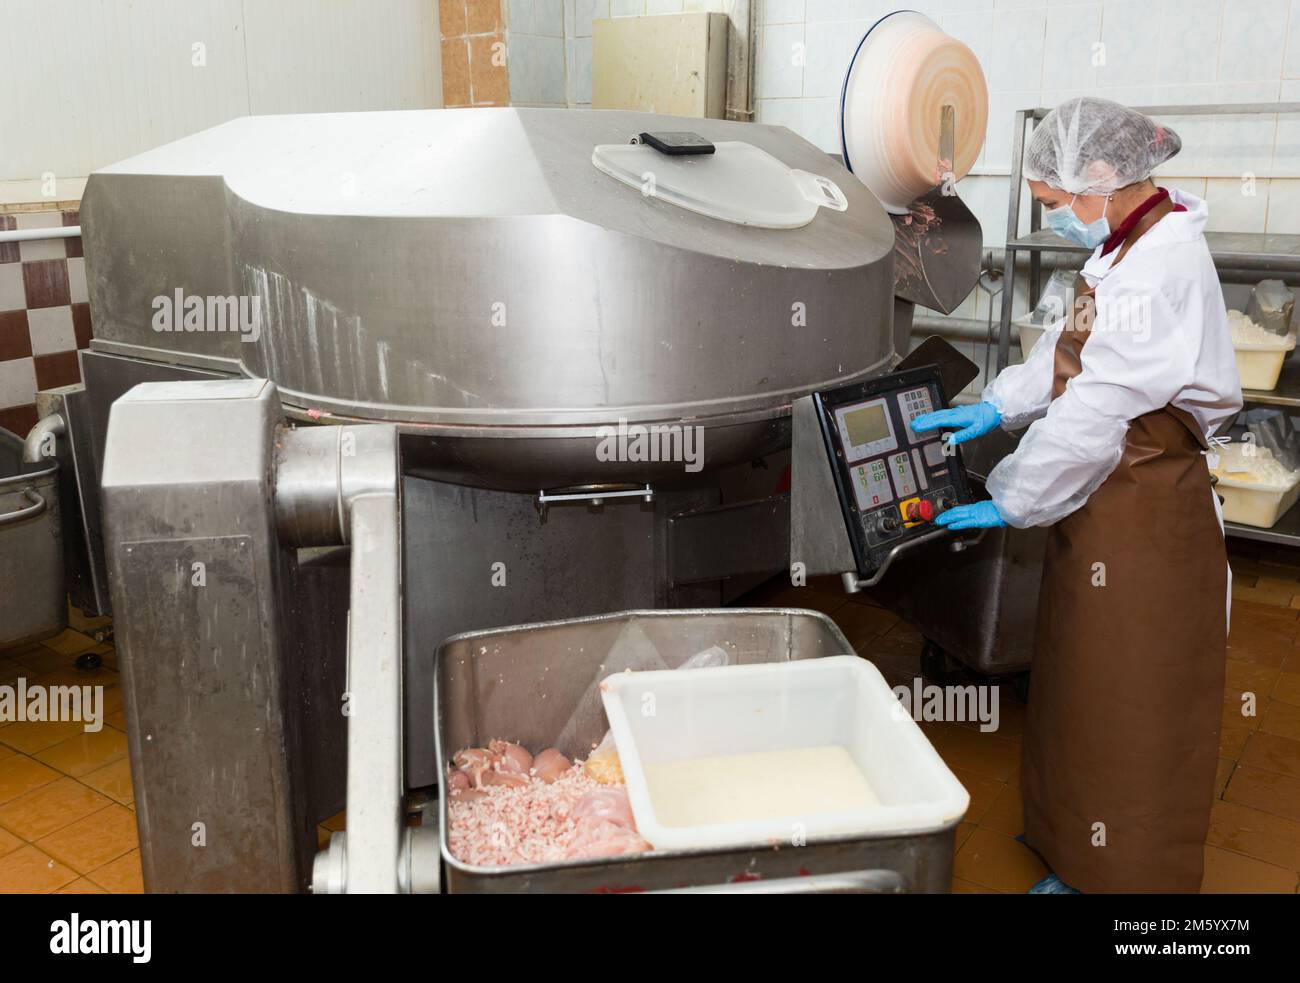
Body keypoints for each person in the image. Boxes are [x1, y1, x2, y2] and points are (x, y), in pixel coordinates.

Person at [911, 96, 1242, 893]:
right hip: (1105, 500)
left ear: (1102, 178)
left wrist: (1013, 495)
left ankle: (1124, 876)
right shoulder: (1123, 248)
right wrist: (1000, 399)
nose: (1056, 218)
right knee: (1081, 679)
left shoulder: (1159, 266)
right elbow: (1068, 356)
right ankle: (1074, 840)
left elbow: (1096, 413)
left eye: (1057, 205)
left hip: (1144, 507)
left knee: (1133, 695)